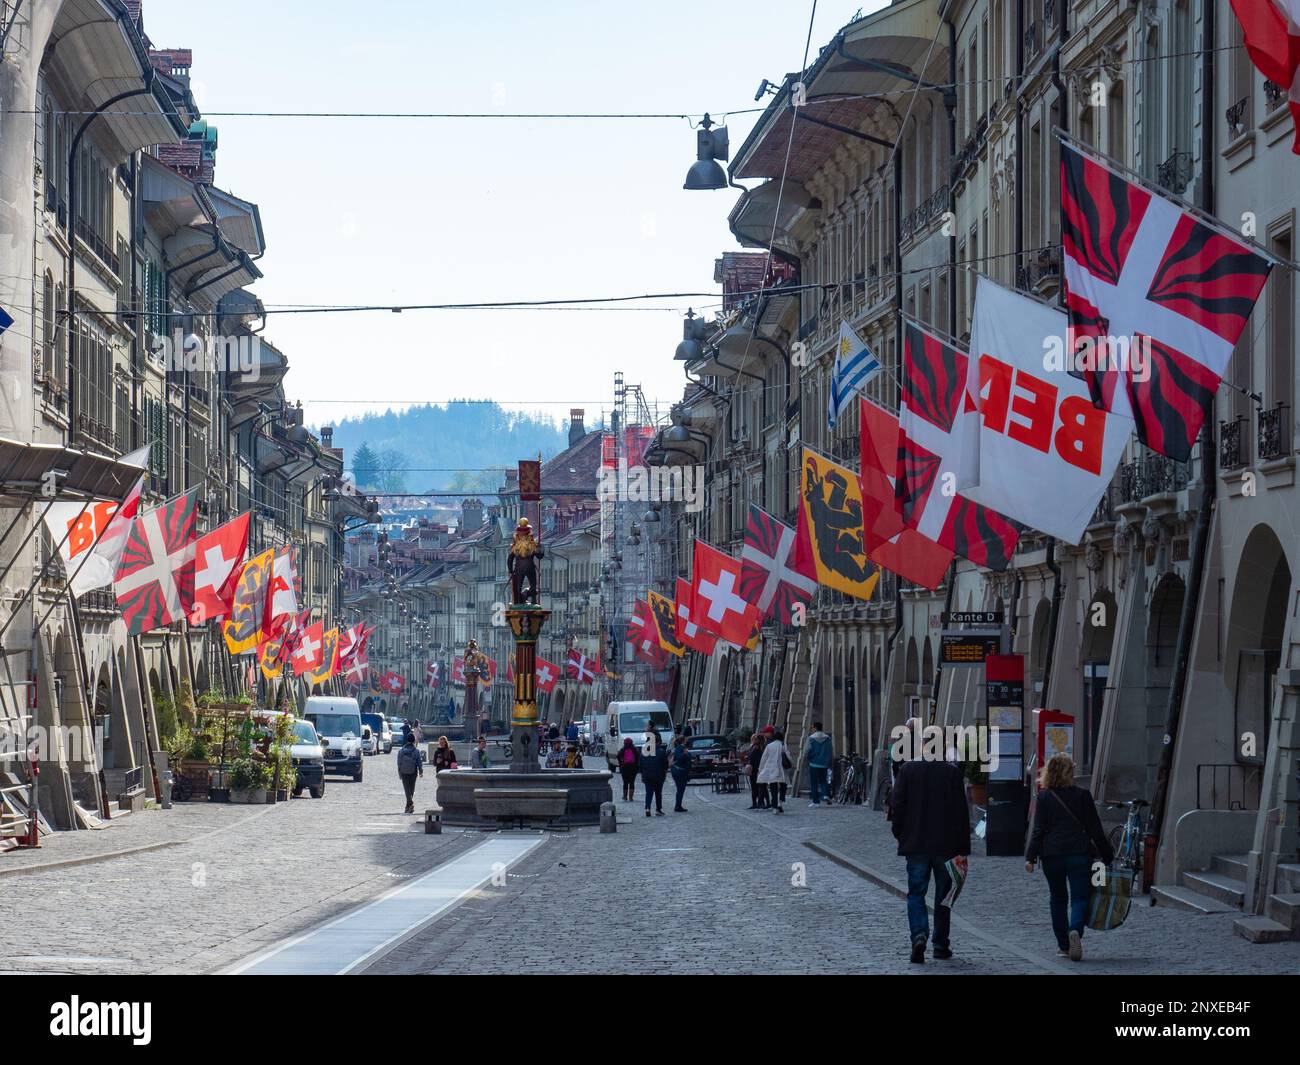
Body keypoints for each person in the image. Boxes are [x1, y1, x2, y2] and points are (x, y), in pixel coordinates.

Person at [1025, 754, 1115, 962]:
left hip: (1052, 855)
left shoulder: (1045, 797)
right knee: (1080, 897)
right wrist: (1107, 856)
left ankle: (1064, 946)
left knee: (1057, 898)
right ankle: (1075, 929)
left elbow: (1038, 830)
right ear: (1070, 773)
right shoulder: (1083, 795)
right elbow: (1095, 829)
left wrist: (1030, 857)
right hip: (1079, 854)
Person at [890, 750, 970, 964]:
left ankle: (919, 934)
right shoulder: (952, 773)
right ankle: (940, 944)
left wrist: (900, 834)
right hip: (946, 846)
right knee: (944, 897)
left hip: (916, 845)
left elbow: (897, 805)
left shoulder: (908, 769)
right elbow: (962, 812)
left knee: (916, 893)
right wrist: (963, 848)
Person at [756, 727, 790, 813]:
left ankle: (775, 807)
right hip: (782, 770)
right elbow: (788, 756)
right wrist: (790, 764)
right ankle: (780, 803)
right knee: (783, 787)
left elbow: (764, 759)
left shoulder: (769, 746)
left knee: (773, 789)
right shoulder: (783, 745)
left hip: (772, 770)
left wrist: (760, 769)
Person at [640, 726, 669, 817]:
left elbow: (640, 765)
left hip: (647, 776)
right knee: (658, 793)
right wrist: (664, 772)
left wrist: (642, 774)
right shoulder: (661, 752)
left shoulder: (644, 751)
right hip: (658, 775)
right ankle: (658, 809)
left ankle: (647, 808)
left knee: (648, 793)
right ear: (656, 742)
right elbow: (665, 764)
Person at [804, 722, 833, 807]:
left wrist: (807, 757)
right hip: (824, 763)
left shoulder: (811, 738)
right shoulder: (828, 738)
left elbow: (806, 750)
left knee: (814, 783)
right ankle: (825, 795)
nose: (811, 729)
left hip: (814, 763)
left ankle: (816, 802)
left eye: (812, 727)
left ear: (815, 728)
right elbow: (831, 750)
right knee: (824, 781)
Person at [396, 732, 424, 814]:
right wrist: (421, 771)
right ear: (414, 741)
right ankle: (410, 805)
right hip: (413, 772)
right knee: (411, 789)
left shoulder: (401, 751)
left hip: (404, 771)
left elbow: (399, 763)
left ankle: (408, 806)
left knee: (406, 789)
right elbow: (419, 762)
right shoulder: (416, 751)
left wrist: (399, 772)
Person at [669, 734, 692, 812]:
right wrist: (685, 754)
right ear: (683, 741)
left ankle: (678, 805)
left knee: (681, 789)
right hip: (679, 772)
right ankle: (677, 806)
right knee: (680, 789)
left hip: (683, 771)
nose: (687, 741)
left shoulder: (683, 748)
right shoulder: (679, 748)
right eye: (686, 739)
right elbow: (679, 758)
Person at [745, 732, 768, 810]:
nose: (753, 740)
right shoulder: (753, 747)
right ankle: (755, 803)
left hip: (757, 769)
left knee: (760, 787)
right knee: (755, 787)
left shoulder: (758, 748)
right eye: (752, 739)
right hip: (753, 769)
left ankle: (762, 803)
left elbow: (756, 758)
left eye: (754, 739)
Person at [617, 737, 639, 801]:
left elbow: (618, 756)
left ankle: (625, 796)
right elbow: (638, 757)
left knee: (625, 782)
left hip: (625, 768)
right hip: (633, 768)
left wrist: (621, 763)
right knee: (632, 782)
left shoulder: (623, 749)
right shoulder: (635, 750)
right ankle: (631, 797)